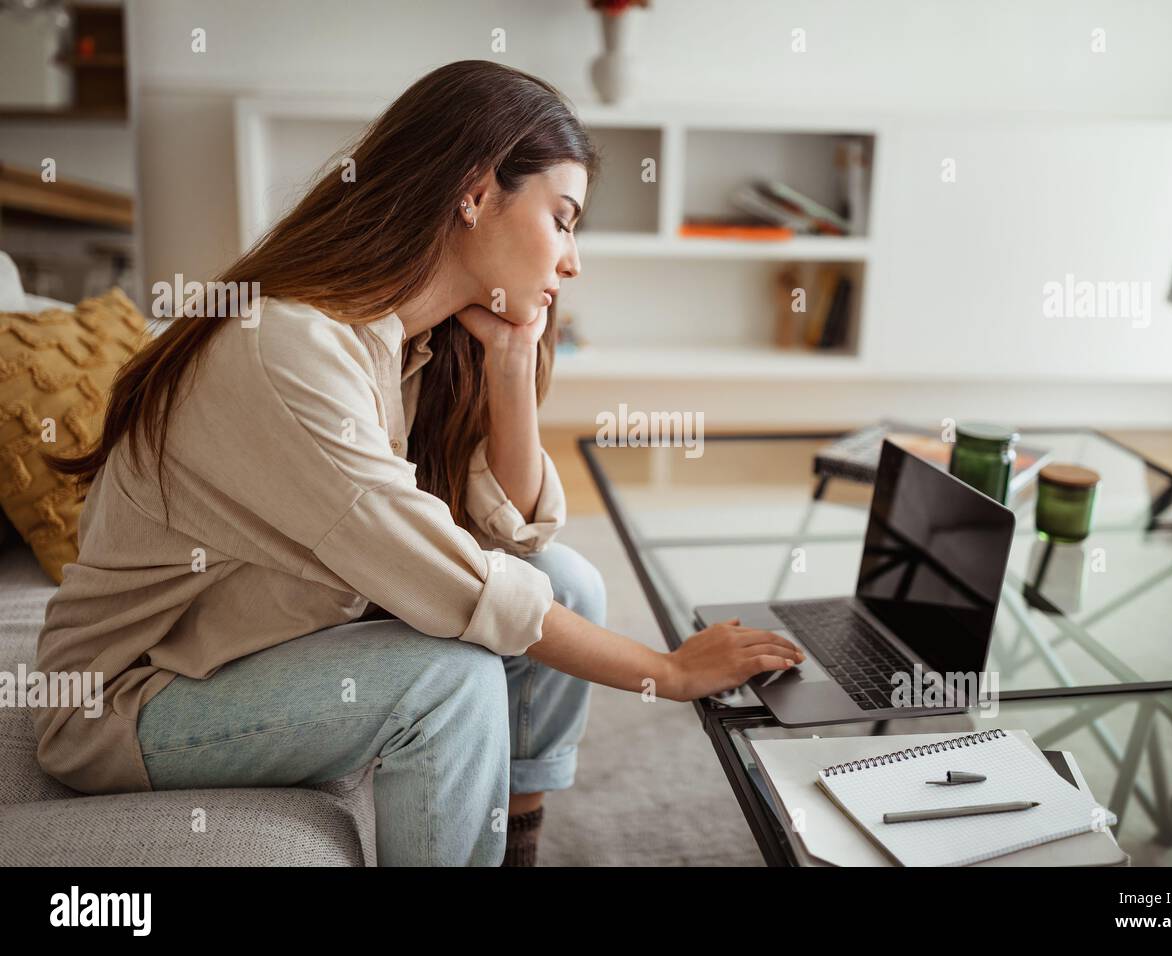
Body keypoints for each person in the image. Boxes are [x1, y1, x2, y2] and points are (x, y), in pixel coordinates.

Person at [34, 60, 801, 867]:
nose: (572, 261)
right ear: (473, 192)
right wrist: (665, 671)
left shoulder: (401, 344)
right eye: (564, 219)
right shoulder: (287, 349)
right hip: (126, 702)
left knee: (570, 582)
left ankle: (515, 842)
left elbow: (518, 538)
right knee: (447, 682)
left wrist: (510, 366)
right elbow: (457, 582)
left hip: (254, 640)